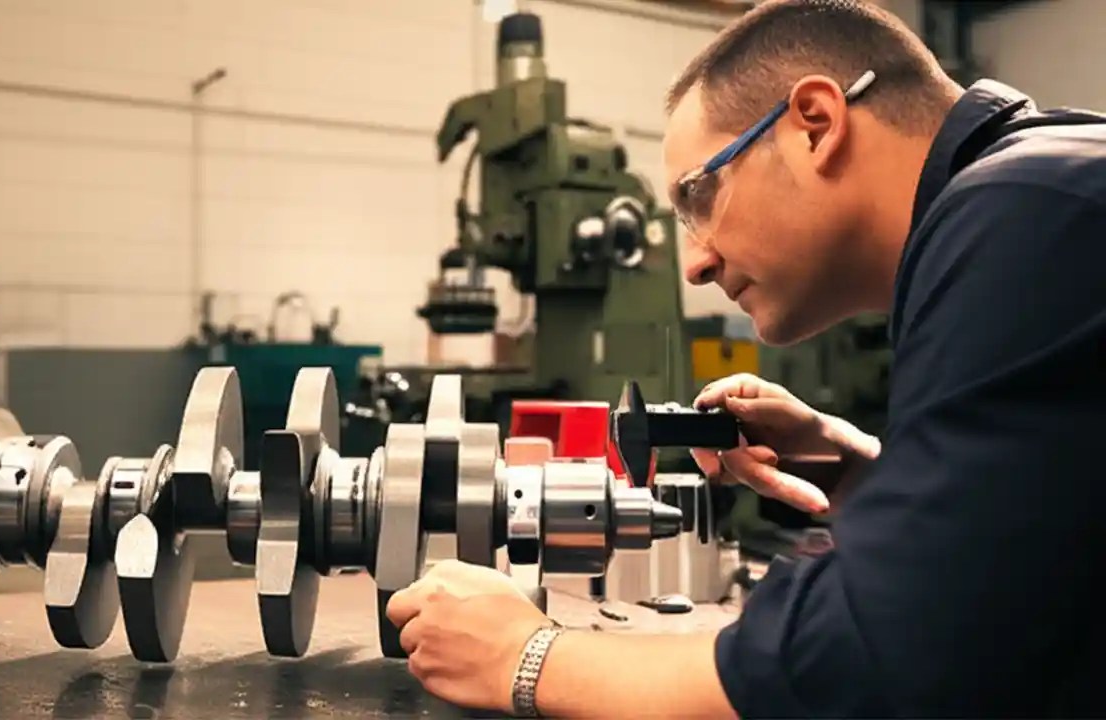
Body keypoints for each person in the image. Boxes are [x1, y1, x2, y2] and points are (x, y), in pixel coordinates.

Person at [386, 0, 1106, 716]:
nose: (694, 263)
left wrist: (526, 655)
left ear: (816, 125)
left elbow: (872, 653)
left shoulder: (1020, 217)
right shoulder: (1041, 186)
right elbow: (1042, 566)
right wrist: (859, 472)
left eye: (699, 195)